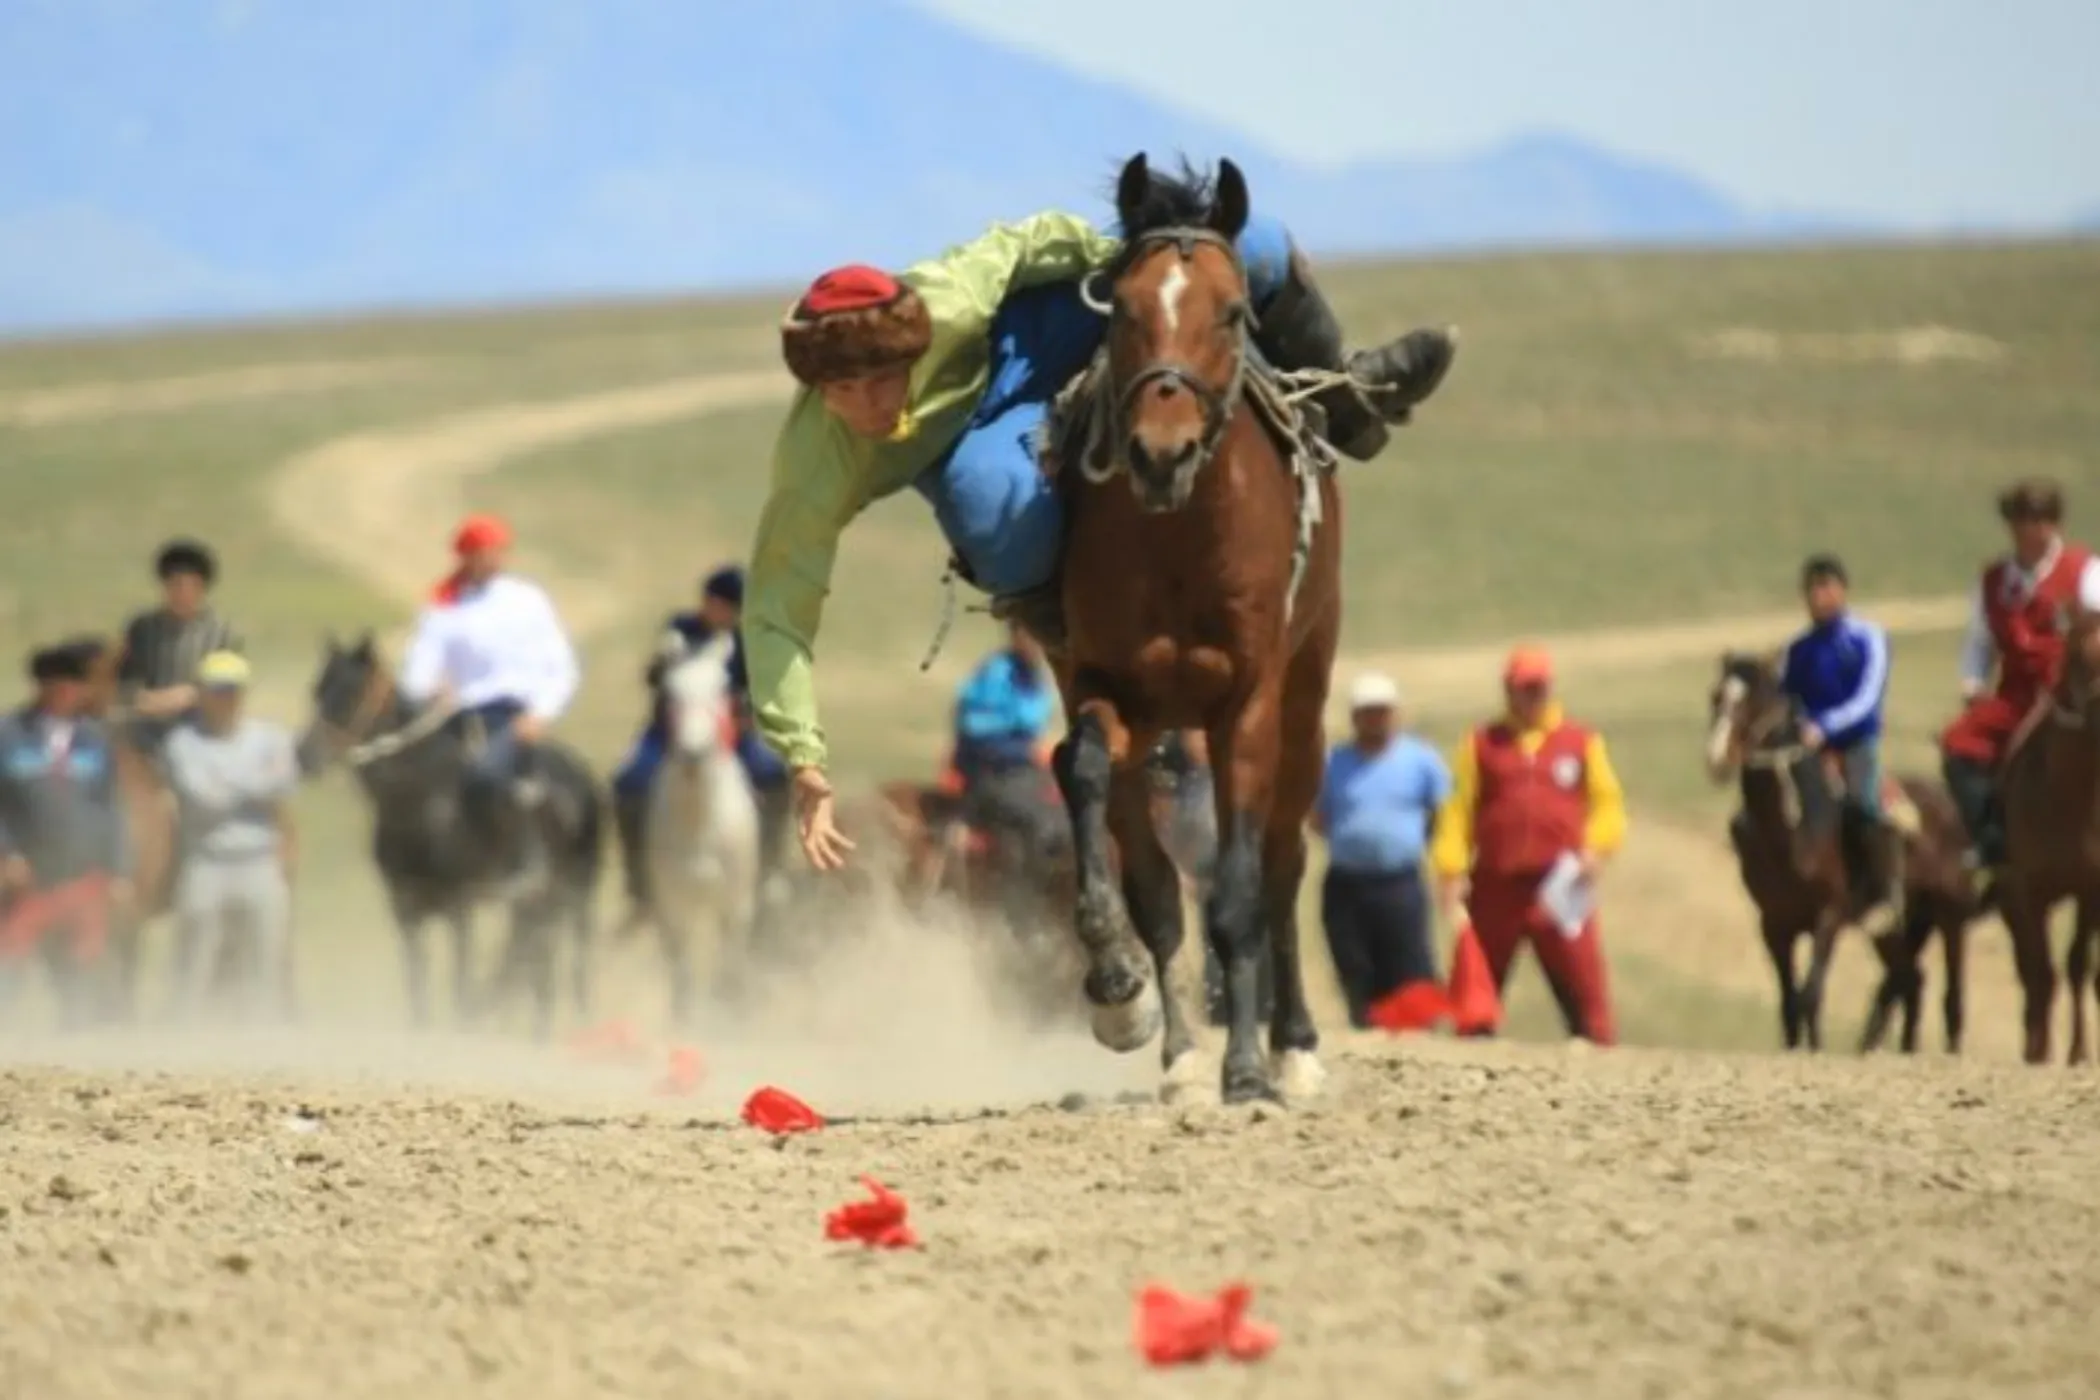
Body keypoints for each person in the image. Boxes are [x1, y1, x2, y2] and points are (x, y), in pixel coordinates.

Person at [744, 178, 1460, 871]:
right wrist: (802, 756)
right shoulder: (816, 462)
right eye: (842, 391)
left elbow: (1028, 245)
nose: (866, 405)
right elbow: (777, 606)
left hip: (1025, 340)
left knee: (1249, 244)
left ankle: (1350, 394)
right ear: (815, 387)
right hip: (973, 437)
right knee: (993, 515)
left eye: (881, 380)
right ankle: (1079, 628)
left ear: (912, 346)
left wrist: (1114, 254)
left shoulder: (950, 300)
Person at [1430, 646, 1627, 1046]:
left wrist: (1597, 848)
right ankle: (1472, 1046)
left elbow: (1608, 802)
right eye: (1525, 689)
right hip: (1496, 883)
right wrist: (1450, 869)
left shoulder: (1579, 740)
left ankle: (1596, 1045)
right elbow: (1457, 810)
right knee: (1478, 974)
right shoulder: (1482, 743)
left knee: (1583, 977)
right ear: (1508, 691)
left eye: (1540, 688)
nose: (1533, 697)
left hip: (1561, 884)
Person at [398, 514, 580, 898]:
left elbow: (560, 666)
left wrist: (540, 714)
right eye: (478, 553)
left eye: (494, 551)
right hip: (459, 717)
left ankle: (518, 858)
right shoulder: (444, 606)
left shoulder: (527, 600)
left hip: (513, 718)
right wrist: (432, 688)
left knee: (485, 776)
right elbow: (418, 668)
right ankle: (418, 876)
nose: (488, 559)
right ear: (464, 557)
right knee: (414, 786)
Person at [1941, 477, 2100, 887]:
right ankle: (1993, 841)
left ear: (2053, 525)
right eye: (2019, 521)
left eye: (2037, 520)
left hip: (2073, 693)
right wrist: (1973, 682)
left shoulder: (2086, 572)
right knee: (1957, 746)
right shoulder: (1995, 579)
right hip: (2016, 694)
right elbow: (1978, 641)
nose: (2028, 530)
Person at [611, 564, 792, 916]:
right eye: (725, 605)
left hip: (730, 735)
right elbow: (653, 680)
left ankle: (769, 868)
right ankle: (639, 881)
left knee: (773, 774)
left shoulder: (748, 640)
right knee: (628, 781)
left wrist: (743, 714)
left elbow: (762, 689)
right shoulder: (679, 629)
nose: (729, 614)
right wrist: (662, 661)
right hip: (669, 733)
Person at [161, 651, 299, 1020]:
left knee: (266, 962)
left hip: (260, 861)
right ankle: (182, 1040)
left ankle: (265, 1044)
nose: (226, 697)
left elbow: (283, 784)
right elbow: (201, 798)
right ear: (202, 693)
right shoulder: (182, 743)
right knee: (194, 962)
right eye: (217, 689)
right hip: (206, 862)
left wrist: (228, 782)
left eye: (233, 689)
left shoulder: (271, 737)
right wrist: (255, 784)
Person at [1311, 673, 1452, 1028]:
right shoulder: (1333, 763)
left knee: (1409, 967)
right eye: (1367, 712)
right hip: (1347, 885)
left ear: (1395, 714)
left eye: (1381, 712)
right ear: (1355, 716)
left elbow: (1442, 812)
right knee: (1355, 968)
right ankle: (1367, 1033)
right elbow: (1316, 818)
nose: (1374, 720)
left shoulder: (1421, 759)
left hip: (1399, 883)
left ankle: (1416, 1040)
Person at [0, 642, 131, 1023]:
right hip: (29, 877)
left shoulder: (95, 740)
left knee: (85, 961)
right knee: (11, 956)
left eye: (74, 686)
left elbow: (111, 808)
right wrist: (6, 854)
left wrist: (120, 869)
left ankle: (80, 1041)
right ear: (41, 686)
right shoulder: (10, 736)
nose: (67, 694)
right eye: (57, 685)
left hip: (84, 875)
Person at [1780, 553, 1901, 932]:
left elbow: (1868, 697)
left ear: (1842, 590)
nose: (1819, 596)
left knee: (1863, 804)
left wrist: (1826, 725)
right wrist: (1799, 724)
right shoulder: (1799, 649)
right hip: (1809, 746)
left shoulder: (1868, 637)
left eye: (1826, 586)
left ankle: (1883, 892)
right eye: (1812, 589)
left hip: (1856, 742)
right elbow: (1788, 697)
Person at [949, 621, 1064, 929]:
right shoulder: (995, 673)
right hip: (991, 776)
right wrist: (1022, 750)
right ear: (1016, 634)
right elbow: (974, 730)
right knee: (1039, 822)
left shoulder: (1037, 676)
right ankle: (1022, 917)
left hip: (1027, 775)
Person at [115, 538, 242, 761]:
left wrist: (189, 696)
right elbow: (126, 684)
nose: (183, 593)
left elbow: (227, 690)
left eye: (191, 586)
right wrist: (152, 701)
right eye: (176, 585)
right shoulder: (142, 629)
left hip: (200, 729)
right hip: (146, 725)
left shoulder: (221, 634)